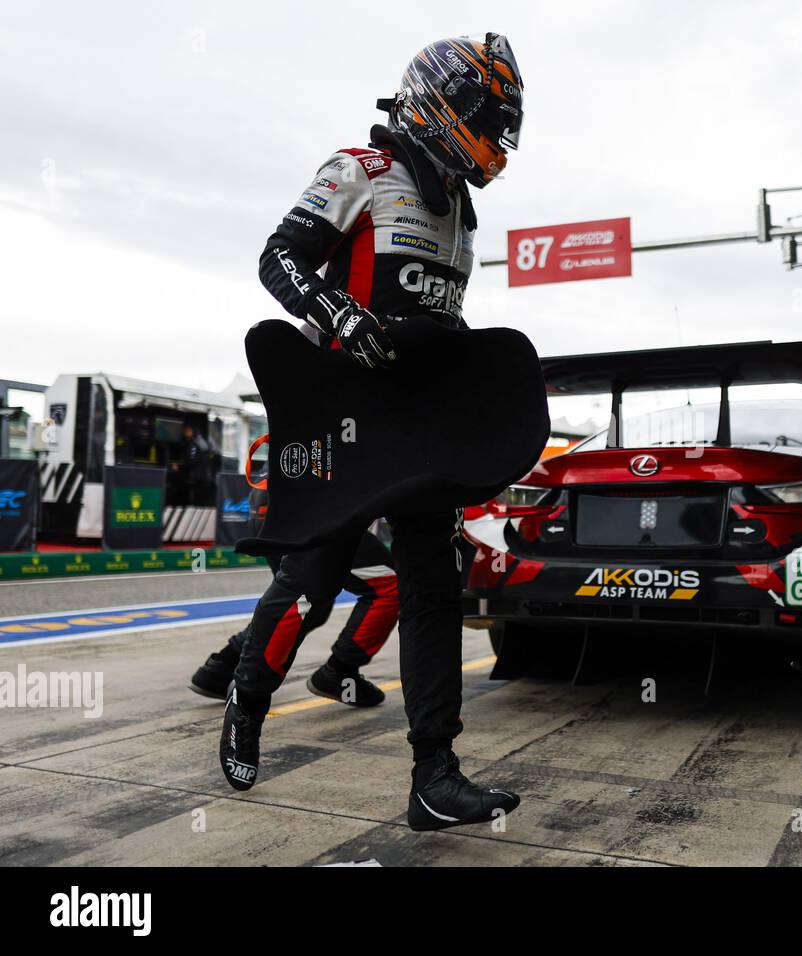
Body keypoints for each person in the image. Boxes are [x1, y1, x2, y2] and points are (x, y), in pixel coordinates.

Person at [221, 33, 525, 832]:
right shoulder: (360, 169)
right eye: (487, 117)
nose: (496, 137)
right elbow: (277, 258)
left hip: (419, 428)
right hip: (340, 421)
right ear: (441, 102)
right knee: (308, 585)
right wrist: (341, 316)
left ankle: (435, 777)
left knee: (432, 589)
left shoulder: (461, 207)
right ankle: (245, 707)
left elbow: (442, 320)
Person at [189, 531, 396, 706]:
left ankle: (222, 667)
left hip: (272, 507)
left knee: (302, 603)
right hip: (322, 512)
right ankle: (340, 670)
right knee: (391, 586)